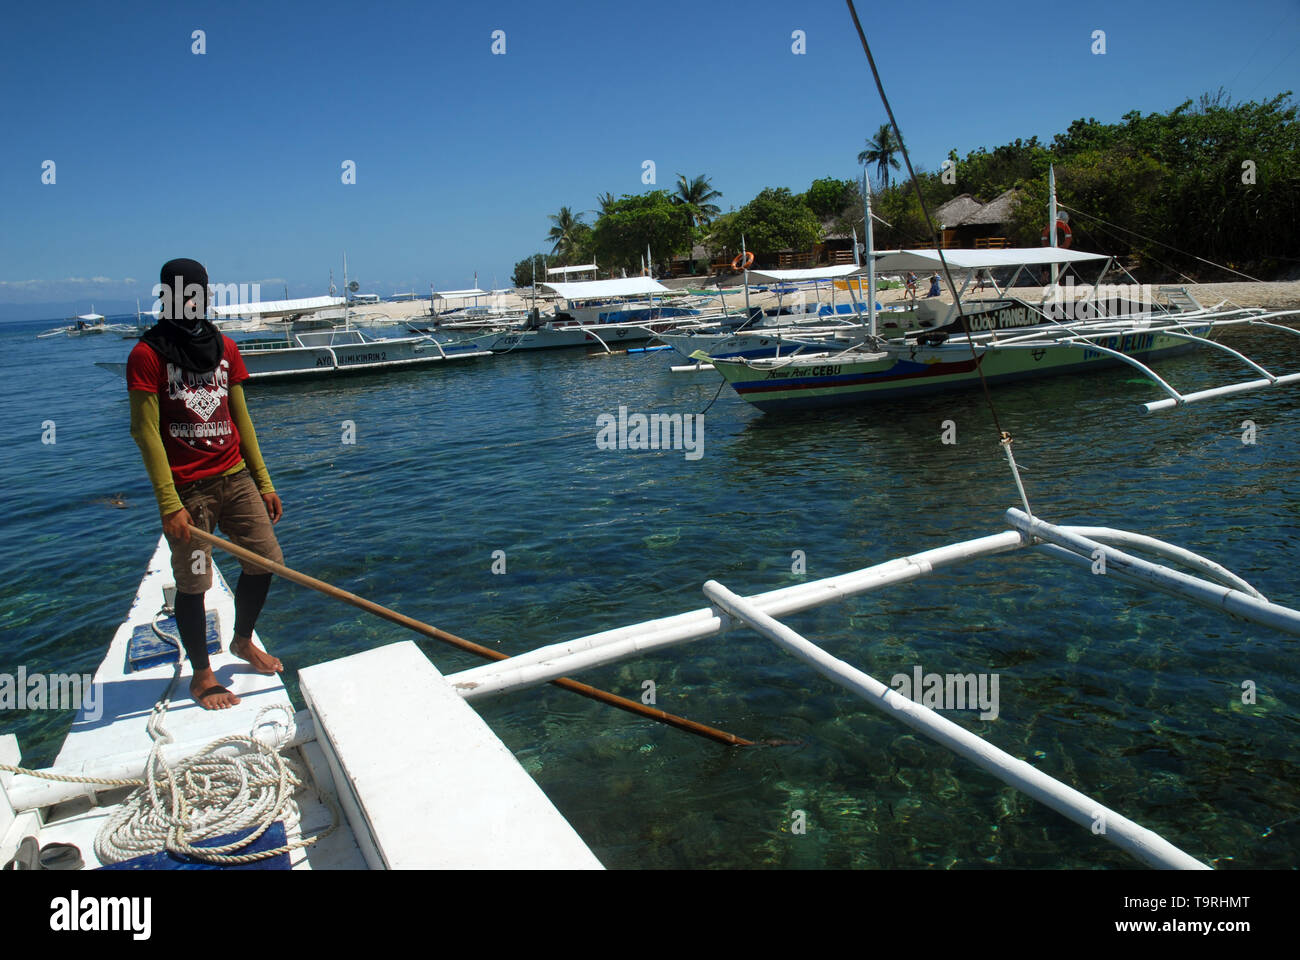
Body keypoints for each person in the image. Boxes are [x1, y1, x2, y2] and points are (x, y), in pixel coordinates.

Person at [127, 258, 284, 710]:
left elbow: (242, 419)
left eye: (199, 292)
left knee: (266, 560)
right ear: (167, 297)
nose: (192, 301)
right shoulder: (148, 355)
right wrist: (168, 503)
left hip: (235, 478)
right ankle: (202, 674)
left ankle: (241, 640)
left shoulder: (225, 348)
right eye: (181, 293)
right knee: (193, 581)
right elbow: (146, 432)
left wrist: (264, 482)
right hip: (188, 489)